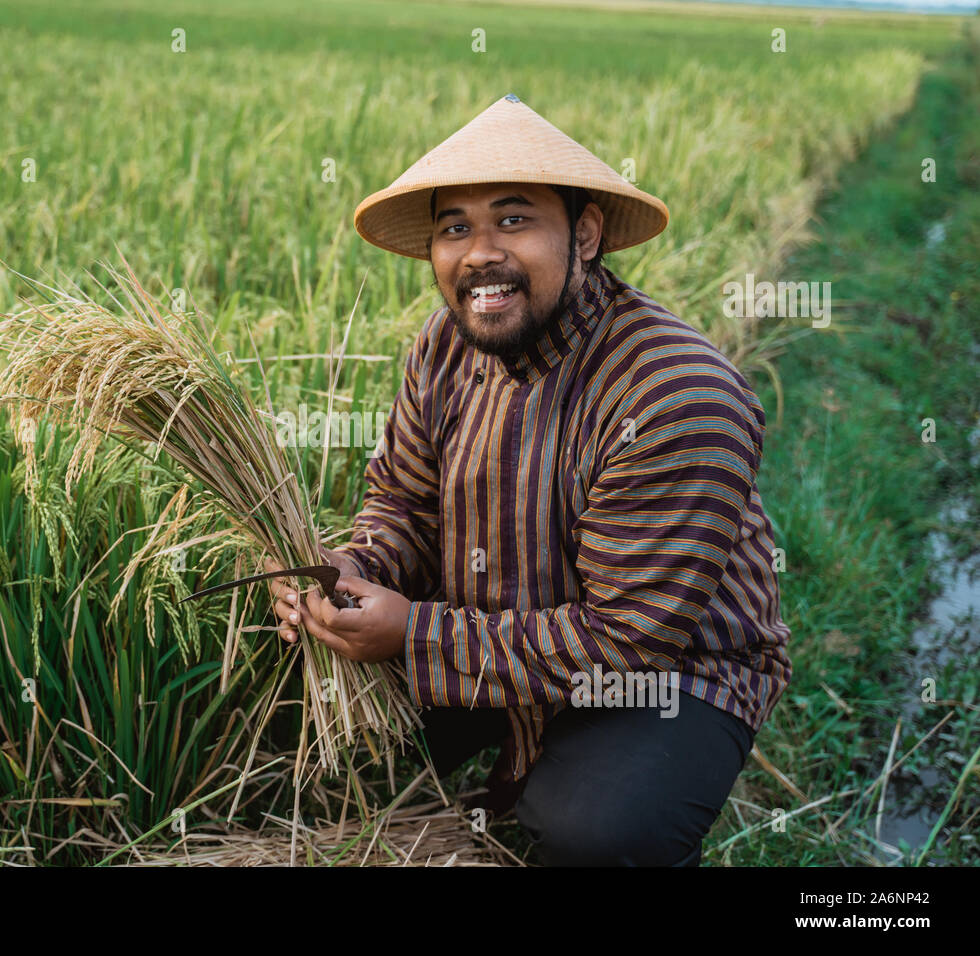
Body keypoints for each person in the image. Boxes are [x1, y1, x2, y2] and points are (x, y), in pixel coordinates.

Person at [265, 94, 792, 866]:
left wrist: (413, 633)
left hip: (664, 668)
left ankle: (591, 772)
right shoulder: (445, 345)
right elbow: (404, 501)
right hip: (493, 622)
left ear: (585, 233)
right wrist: (355, 569)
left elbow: (625, 639)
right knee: (284, 685)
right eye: (455, 228)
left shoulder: (676, 397)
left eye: (513, 220)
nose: (480, 253)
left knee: (599, 835)